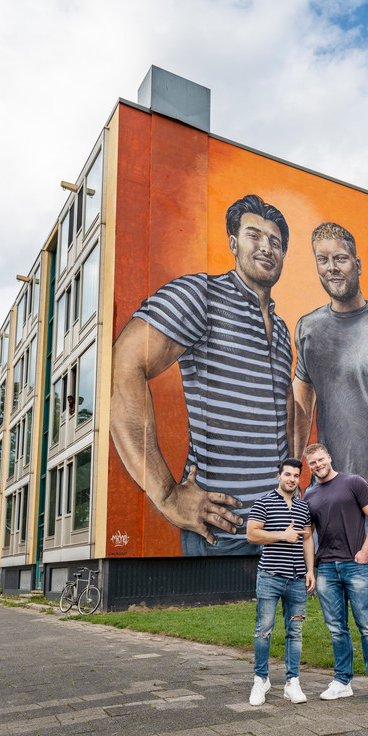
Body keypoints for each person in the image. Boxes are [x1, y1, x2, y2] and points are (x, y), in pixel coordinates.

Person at [111, 194, 294, 556]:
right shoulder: (201, 295)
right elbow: (122, 366)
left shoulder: (283, 329)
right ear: (233, 243)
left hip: (280, 532)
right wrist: (165, 493)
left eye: (275, 241)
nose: (266, 247)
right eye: (254, 235)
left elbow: (283, 412)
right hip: (221, 538)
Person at [292, 222, 368, 553]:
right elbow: (302, 402)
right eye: (322, 260)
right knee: (330, 596)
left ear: (357, 263)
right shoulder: (307, 327)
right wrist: (295, 473)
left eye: (340, 258)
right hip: (327, 504)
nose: (331, 268)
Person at [303, 442, 368, 703]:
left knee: (367, 626)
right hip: (327, 568)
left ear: (329, 457)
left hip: (356, 565)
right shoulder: (309, 494)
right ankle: (342, 681)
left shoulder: (354, 482)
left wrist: (365, 551)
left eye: (320, 459)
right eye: (312, 463)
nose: (317, 465)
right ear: (309, 466)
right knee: (336, 628)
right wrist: (311, 569)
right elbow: (308, 535)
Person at [245, 458, 315, 705]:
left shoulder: (302, 507)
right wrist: (282, 535)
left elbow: (307, 539)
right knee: (263, 631)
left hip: (297, 580)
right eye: (287, 474)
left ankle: (291, 682)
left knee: (294, 632)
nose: (291, 479)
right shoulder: (263, 502)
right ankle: (261, 680)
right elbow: (252, 534)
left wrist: (310, 570)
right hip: (270, 577)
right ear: (279, 476)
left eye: (296, 475)